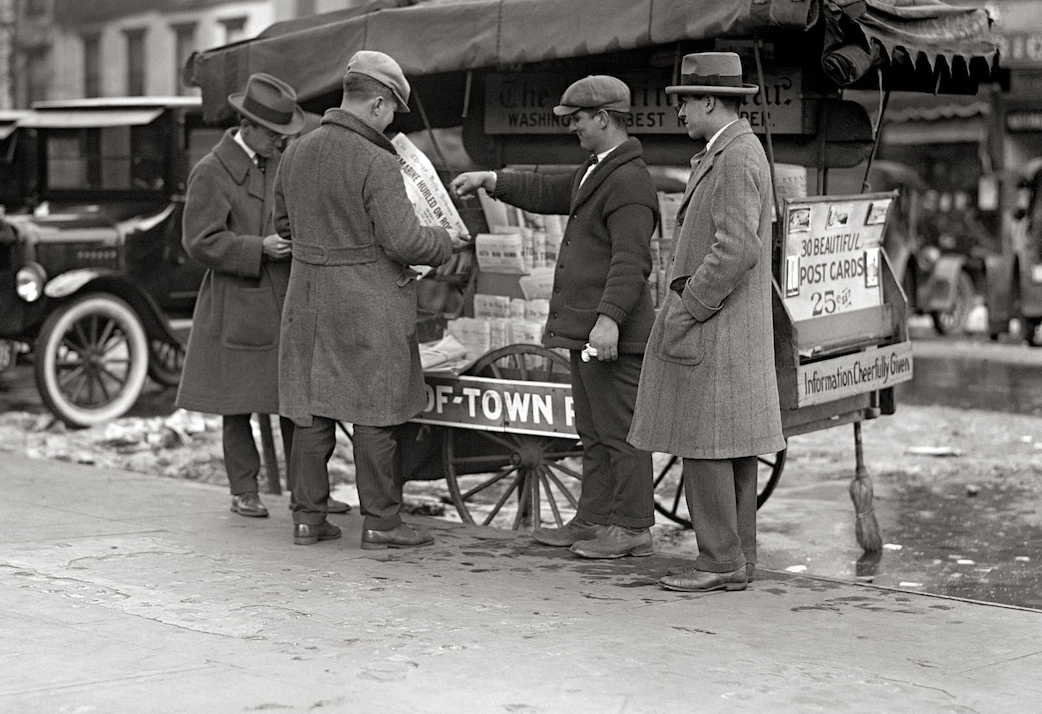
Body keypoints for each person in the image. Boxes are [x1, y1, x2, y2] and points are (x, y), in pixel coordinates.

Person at [451, 75, 659, 560]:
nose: (573, 128)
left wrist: (609, 320)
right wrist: (492, 181)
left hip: (610, 334)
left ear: (603, 118)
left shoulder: (629, 181)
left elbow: (631, 262)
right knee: (592, 432)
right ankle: (593, 519)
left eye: (578, 119)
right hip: (589, 332)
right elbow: (549, 190)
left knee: (620, 432)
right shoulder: (598, 169)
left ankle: (633, 526)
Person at [275, 50, 466, 549]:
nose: (390, 122)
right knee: (375, 412)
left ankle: (307, 518)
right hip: (368, 301)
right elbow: (404, 242)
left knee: (312, 411)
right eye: (391, 111)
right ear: (378, 103)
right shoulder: (377, 161)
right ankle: (382, 523)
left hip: (307, 298)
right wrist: (445, 241)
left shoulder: (296, 151)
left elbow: (283, 225)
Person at [627, 52, 785, 593]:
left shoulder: (735, 156)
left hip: (715, 325)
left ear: (711, 101)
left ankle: (719, 561)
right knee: (731, 446)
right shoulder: (734, 150)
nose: (680, 112)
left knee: (705, 444)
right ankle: (738, 559)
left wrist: (689, 305)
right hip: (728, 327)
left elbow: (737, 247)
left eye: (686, 101)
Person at [177, 73, 351, 519]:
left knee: (297, 402)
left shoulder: (279, 161)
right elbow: (198, 241)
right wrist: (258, 248)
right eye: (274, 133)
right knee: (236, 405)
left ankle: (307, 492)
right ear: (246, 126)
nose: (281, 141)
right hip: (236, 303)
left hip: (283, 300)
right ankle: (244, 490)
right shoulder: (211, 171)